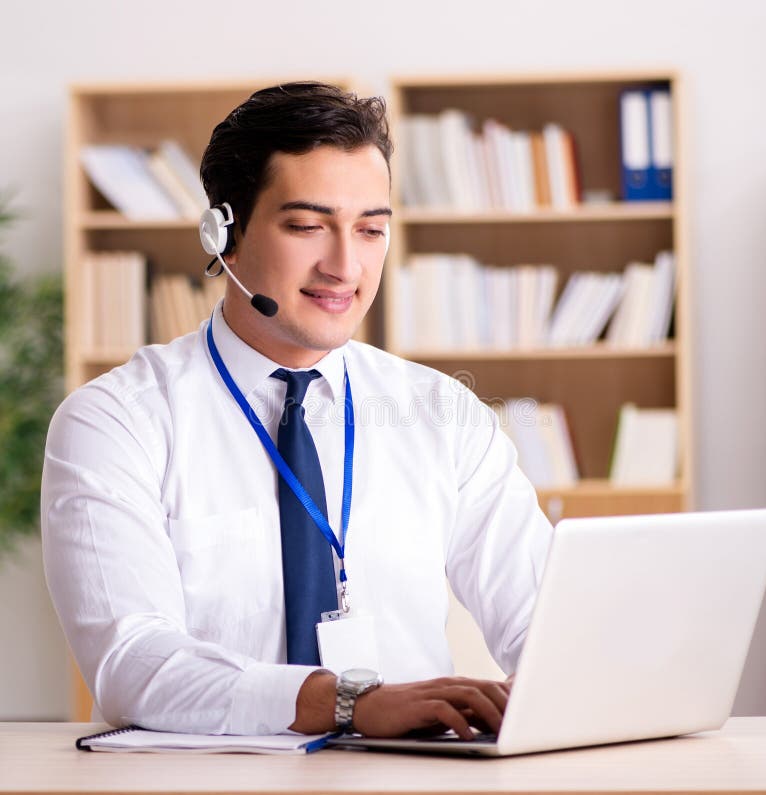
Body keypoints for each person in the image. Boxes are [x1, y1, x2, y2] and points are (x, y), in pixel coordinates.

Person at [42, 82, 553, 740]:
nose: (345, 266)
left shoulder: (443, 414)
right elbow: (132, 663)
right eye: (309, 227)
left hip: (412, 779)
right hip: (204, 781)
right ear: (223, 234)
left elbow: (547, 625)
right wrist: (348, 702)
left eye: (370, 229)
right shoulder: (116, 422)